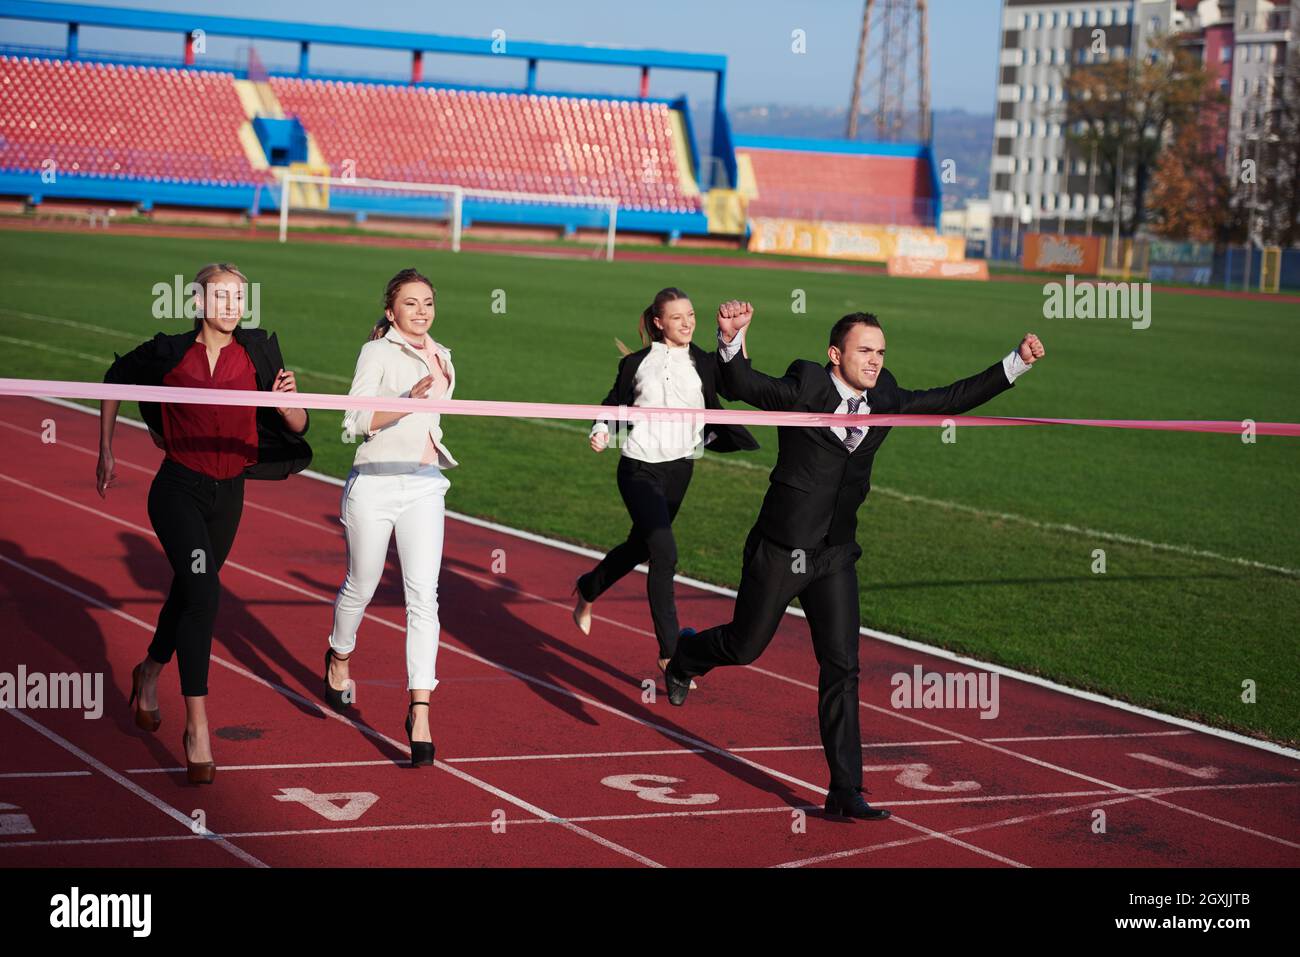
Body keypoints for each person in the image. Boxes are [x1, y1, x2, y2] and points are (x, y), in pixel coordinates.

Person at [665, 300, 1045, 820]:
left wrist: (1015, 363)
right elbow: (743, 387)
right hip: (783, 548)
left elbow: (947, 398)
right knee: (744, 645)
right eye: (864, 351)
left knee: (843, 667)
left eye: (881, 351)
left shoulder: (884, 393)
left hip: (836, 555)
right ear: (834, 354)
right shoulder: (806, 386)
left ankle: (845, 792)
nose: (874, 360)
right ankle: (689, 655)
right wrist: (730, 340)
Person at [98, 262, 311, 785]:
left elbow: (301, 423)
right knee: (205, 594)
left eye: (238, 298)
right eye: (220, 298)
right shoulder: (171, 352)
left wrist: (289, 407)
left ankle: (149, 670)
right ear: (198, 303)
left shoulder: (258, 353)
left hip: (229, 493)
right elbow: (113, 379)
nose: (231, 307)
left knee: (191, 593)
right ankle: (197, 726)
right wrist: (105, 449)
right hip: (177, 489)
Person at [572, 287, 757, 683]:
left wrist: (734, 335)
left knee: (641, 545)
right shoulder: (637, 363)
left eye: (691, 315)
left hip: (680, 469)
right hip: (638, 467)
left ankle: (588, 587)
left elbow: (737, 384)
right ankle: (670, 655)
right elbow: (612, 402)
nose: (688, 322)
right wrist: (602, 428)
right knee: (665, 553)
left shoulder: (704, 363)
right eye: (677, 317)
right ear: (659, 322)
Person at [323, 268, 456, 768]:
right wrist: (403, 404)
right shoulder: (376, 352)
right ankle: (339, 654)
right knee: (363, 585)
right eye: (410, 304)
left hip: (423, 483)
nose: (421, 311)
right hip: (376, 482)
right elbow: (355, 422)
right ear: (390, 310)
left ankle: (419, 710)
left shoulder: (443, 355)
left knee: (424, 596)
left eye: (427, 303)